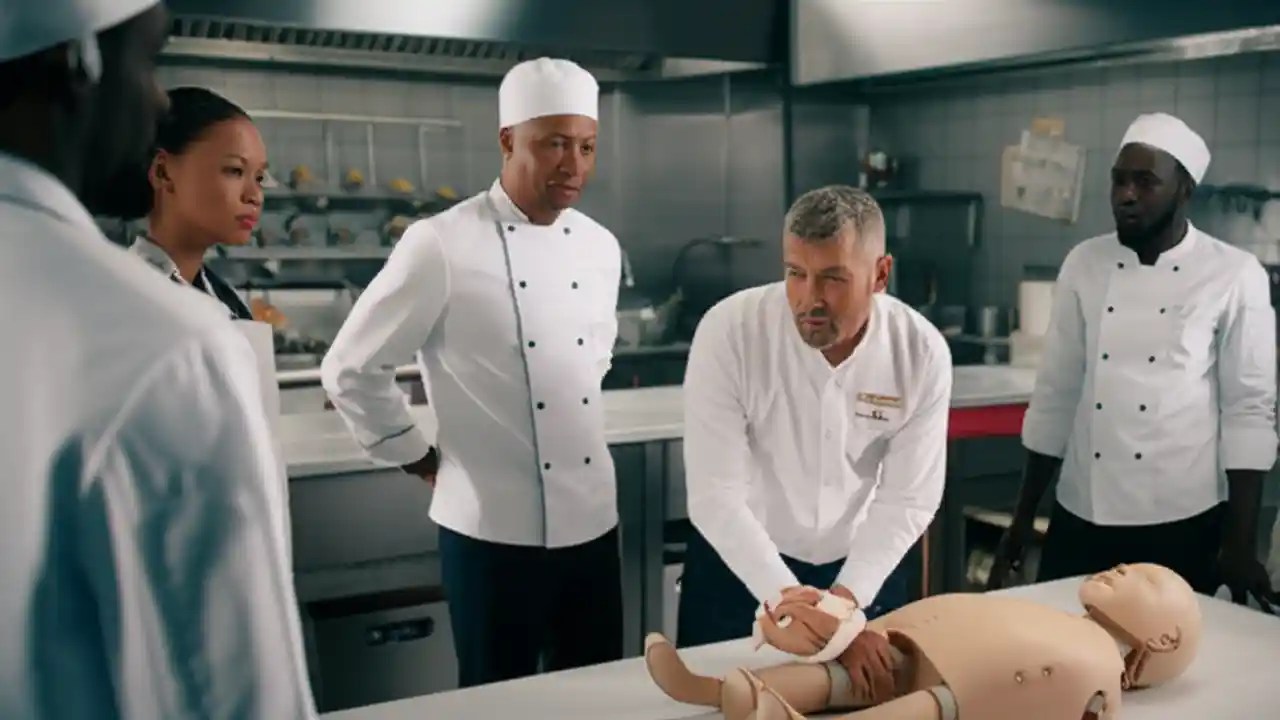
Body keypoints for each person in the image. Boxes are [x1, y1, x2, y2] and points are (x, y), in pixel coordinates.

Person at [0, 2, 316, 718]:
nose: (155, 100)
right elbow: (228, 690)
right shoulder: (160, 345)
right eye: (146, 60)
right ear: (76, 58)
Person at [321, 56, 623, 688]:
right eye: (555, 145)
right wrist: (417, 457)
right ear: (508, 140)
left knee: (599, 699)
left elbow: (593, 361)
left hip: (593, 525)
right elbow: (353, 367)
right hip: (490, 536)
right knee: (494, 701)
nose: (574, 165)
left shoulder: (600, 246)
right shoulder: (441, 243)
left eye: (588, 147)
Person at [989, 113, 1279, 612]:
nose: (1126, 194)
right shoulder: (1085, 262)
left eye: (1145, 182)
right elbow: (1056, 393)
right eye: (1119, 180)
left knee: (1173, 665)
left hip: (1182, 524)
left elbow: (1249, 410)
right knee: (1065, 656)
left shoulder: (1234, 275)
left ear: (1183, 189)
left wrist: (1239, 543)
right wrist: (1021, 522)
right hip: (1082, 514)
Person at [677, 185, 952, 649]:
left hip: (862, 571)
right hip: (740, 566)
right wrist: (788, 600)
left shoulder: (919, 352)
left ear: (881, 274)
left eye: (833, 278)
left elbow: (909, 499)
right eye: (796, 273)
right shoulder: (731, 331)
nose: (809, 299)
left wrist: (844, 603)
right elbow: (714, 496)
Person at [646, 563, 1201, 720]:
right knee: (848, 677)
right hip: (926, 641)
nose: (1122, 568)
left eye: (1144, 579)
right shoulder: (1060, 617)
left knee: (923, 706)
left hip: (971, 688)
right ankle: (717, 690)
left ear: (1166, 637)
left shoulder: (1101, 670)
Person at [125, 86, 269, 319]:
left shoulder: (228, 302)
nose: (255, 196)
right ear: (163, 172)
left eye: (260, 177)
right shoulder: (126, 299)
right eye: (235, 170)